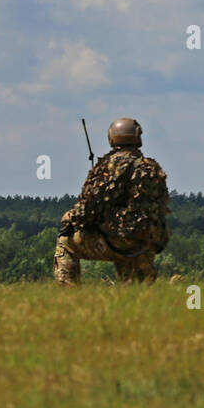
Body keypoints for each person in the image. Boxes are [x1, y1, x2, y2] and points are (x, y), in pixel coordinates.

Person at [55, 117, 170, 285]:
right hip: (145, 243)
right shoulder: (152, 168)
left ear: (112, 138)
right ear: (138, 137)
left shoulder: (108, 166)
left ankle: (69, 294)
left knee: (65, 243)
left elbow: (88, 208)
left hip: (116, 241)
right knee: (137, 295)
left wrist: (70, 216)